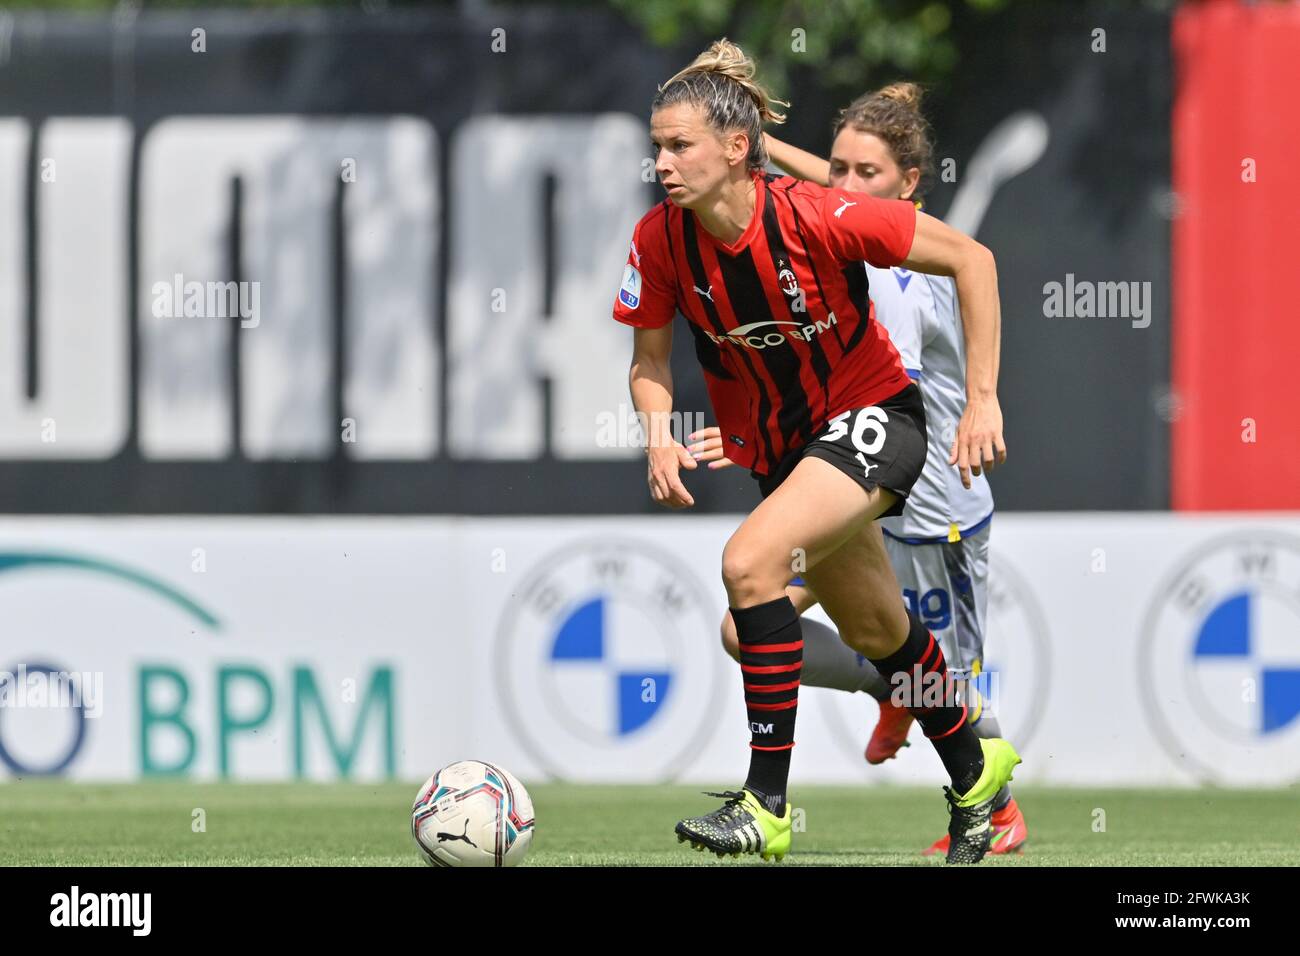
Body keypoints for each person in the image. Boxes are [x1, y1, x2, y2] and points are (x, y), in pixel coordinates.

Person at [611, 39, 1016, 864]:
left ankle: (765, 805)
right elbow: (649, 361)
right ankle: (978, 770)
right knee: (878, 629)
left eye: (678, 144)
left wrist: (981, 397)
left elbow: (973, 259)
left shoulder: (817, 215)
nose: (661, 162)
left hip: (879, 420)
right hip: (792, 452)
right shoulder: (660, 240)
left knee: (749, 562)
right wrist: (656, 428)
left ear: (736, 149)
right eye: (656, 145)